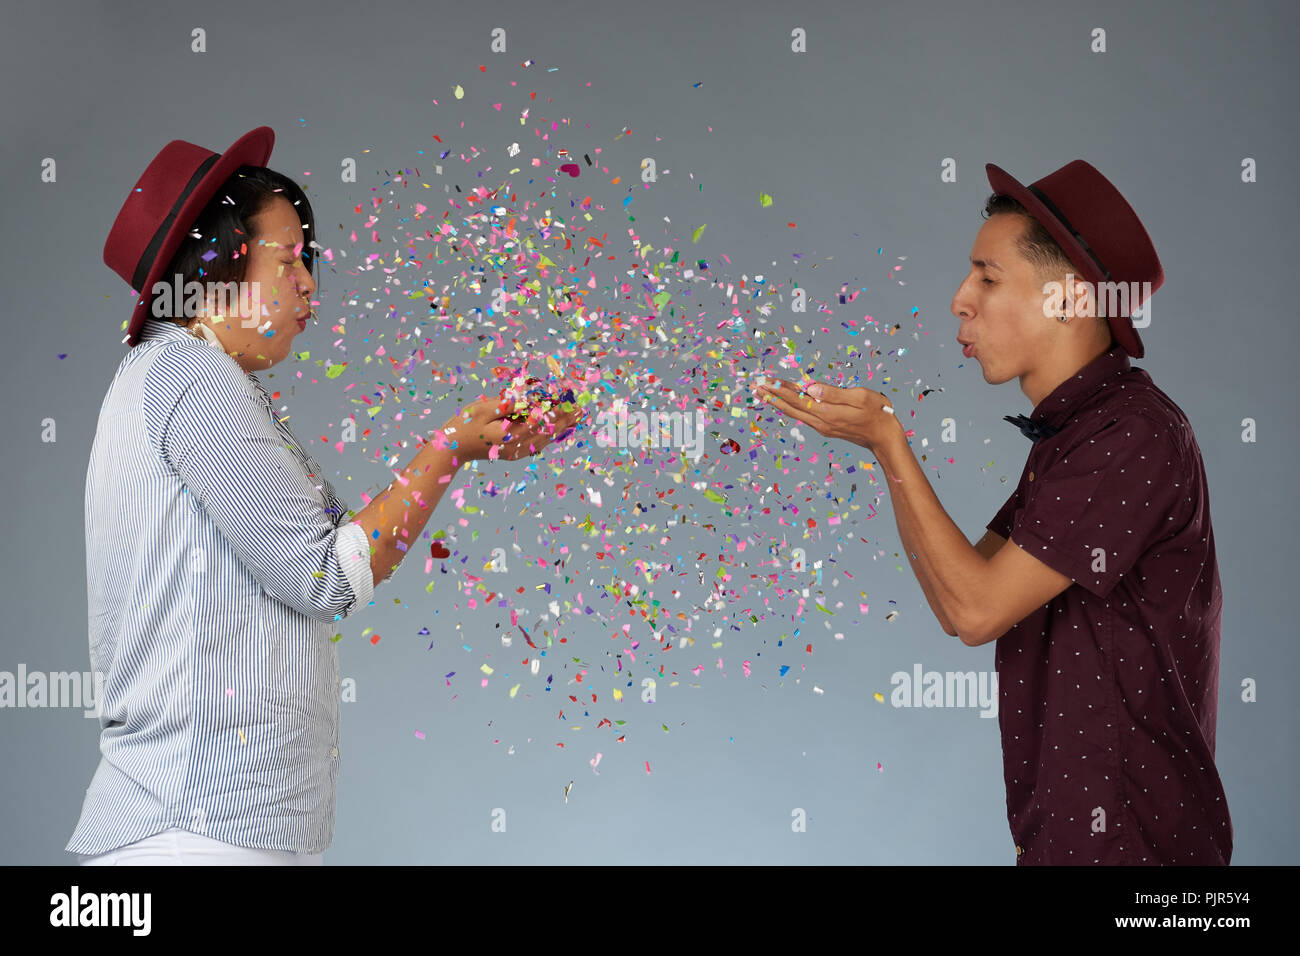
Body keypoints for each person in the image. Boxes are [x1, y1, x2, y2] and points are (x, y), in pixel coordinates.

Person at [67, 127, 582, 865]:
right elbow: (330, 574)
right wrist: (449, 450)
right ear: (215, 268)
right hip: (200, 828)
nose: (310, 284)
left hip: (195, 826)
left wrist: (466, 447)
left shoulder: (166, 380)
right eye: (289, 260)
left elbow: (333, 553)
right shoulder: (195, 381)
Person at [753, 160, 1231, 865]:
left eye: (987, 276)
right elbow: (964, 596)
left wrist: (889, 444)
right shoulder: (1074, 436)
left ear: (1067, 299)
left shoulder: (1132, 434)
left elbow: (976, 609)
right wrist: (882, 446)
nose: (959, 300)